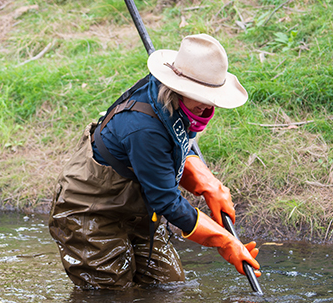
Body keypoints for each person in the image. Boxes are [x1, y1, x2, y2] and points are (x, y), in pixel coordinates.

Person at [48, 33, 260, 289]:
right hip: (91, 212)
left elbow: (176, 145)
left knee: (168, 287)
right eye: (203, 98)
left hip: (138, 207)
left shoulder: (177, 104)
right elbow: (167, 202)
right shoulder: (144, 128)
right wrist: (226, 242)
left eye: (213, 99)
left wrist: (207, 184)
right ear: (179, 90)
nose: (209, 107)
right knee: (112, 300)